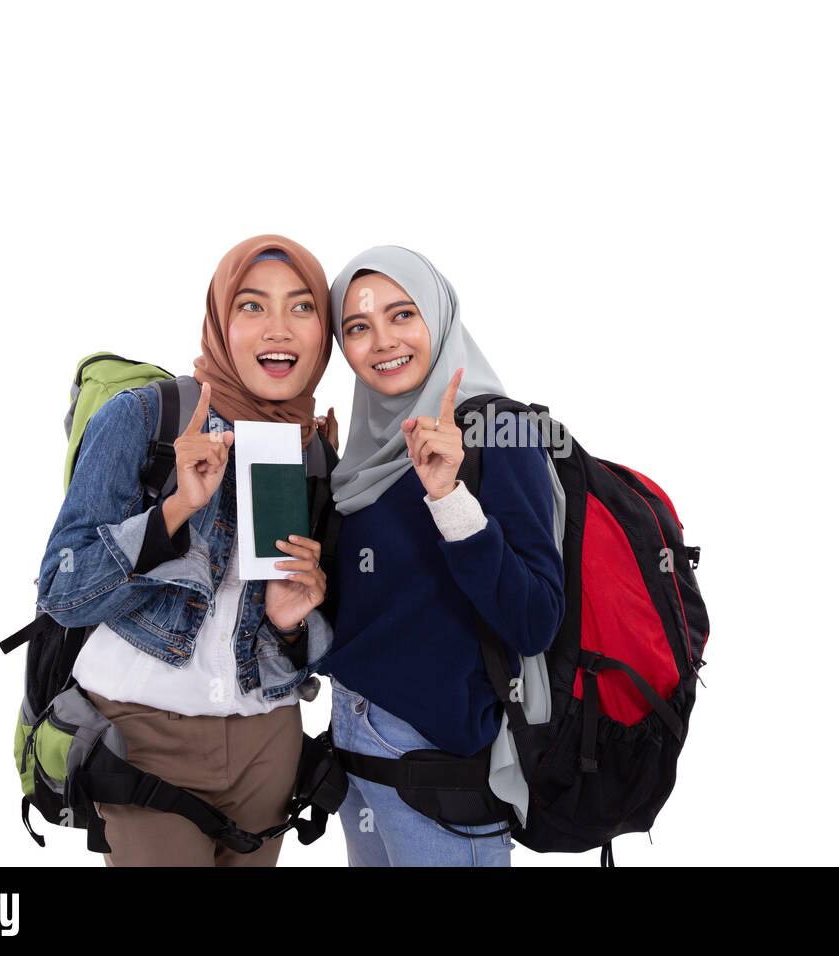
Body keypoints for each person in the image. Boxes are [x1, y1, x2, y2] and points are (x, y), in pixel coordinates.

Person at [35, 235, 338, 866]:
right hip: (142, 734)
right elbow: (61, 591)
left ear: (324, 331)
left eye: (302, 307)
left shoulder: (314, 452)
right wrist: (172, 512)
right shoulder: (142, 418)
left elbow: (299, 629)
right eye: (252, 306)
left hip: (268, 740)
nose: (277, 328)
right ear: (221, 319)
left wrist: (290, 628)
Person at [313, 246, 565, 867]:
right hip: (354, 758)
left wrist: (449, 497)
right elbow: (372, 618)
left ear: (439, 317)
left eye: (403, 315)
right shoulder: (358, 462)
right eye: (357, 327)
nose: (382, 341)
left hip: (441, 778)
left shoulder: (499, 434)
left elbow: (534, 620)